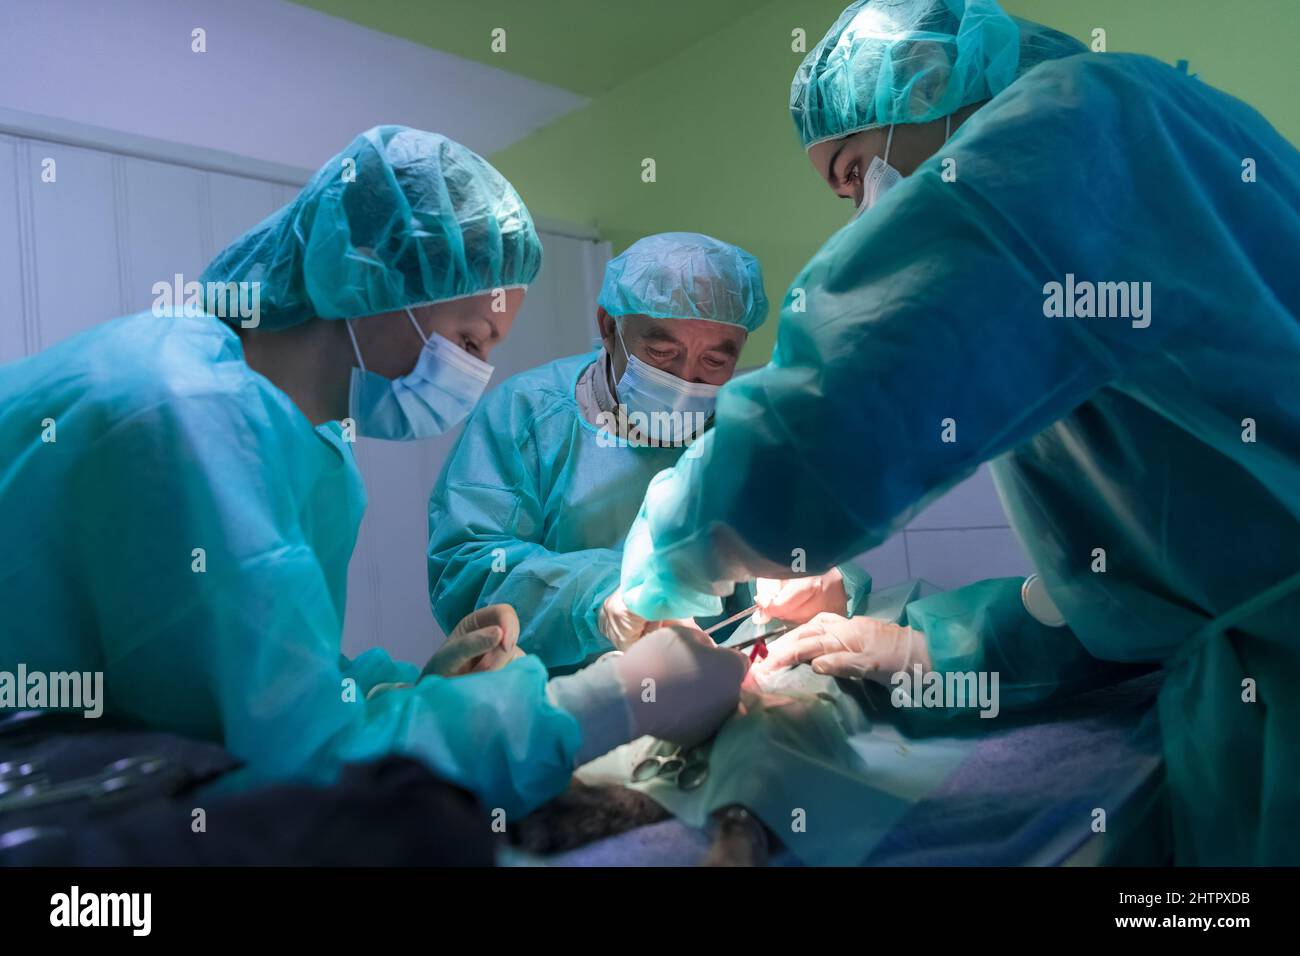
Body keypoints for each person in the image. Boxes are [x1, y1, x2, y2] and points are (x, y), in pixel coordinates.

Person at [618, 0, 1300, 863]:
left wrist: (659, 564)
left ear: (931, 87)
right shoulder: (1144, 152)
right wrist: (924, 646)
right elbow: (1150, 584)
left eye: (851, 171)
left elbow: (817, 435)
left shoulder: (1074, 125)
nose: (860, 211)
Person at [0, 126, 742, 819]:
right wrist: (615, 699)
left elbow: (272, 685)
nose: (476, 373)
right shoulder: (190, 415)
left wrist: (407, 685)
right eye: (470, 339)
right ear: (371, 279)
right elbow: (310, 769)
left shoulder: (304, 444)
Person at [428, 232, 871, 669]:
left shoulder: (743, 431)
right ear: (609, 327)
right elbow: (469, 573)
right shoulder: (525, 415)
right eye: (661, 352)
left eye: (715, 361)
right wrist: (602, 600)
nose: (685, 381)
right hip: (548, 703)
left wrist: (823, 580)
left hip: (709, 686)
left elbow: (808, 539)